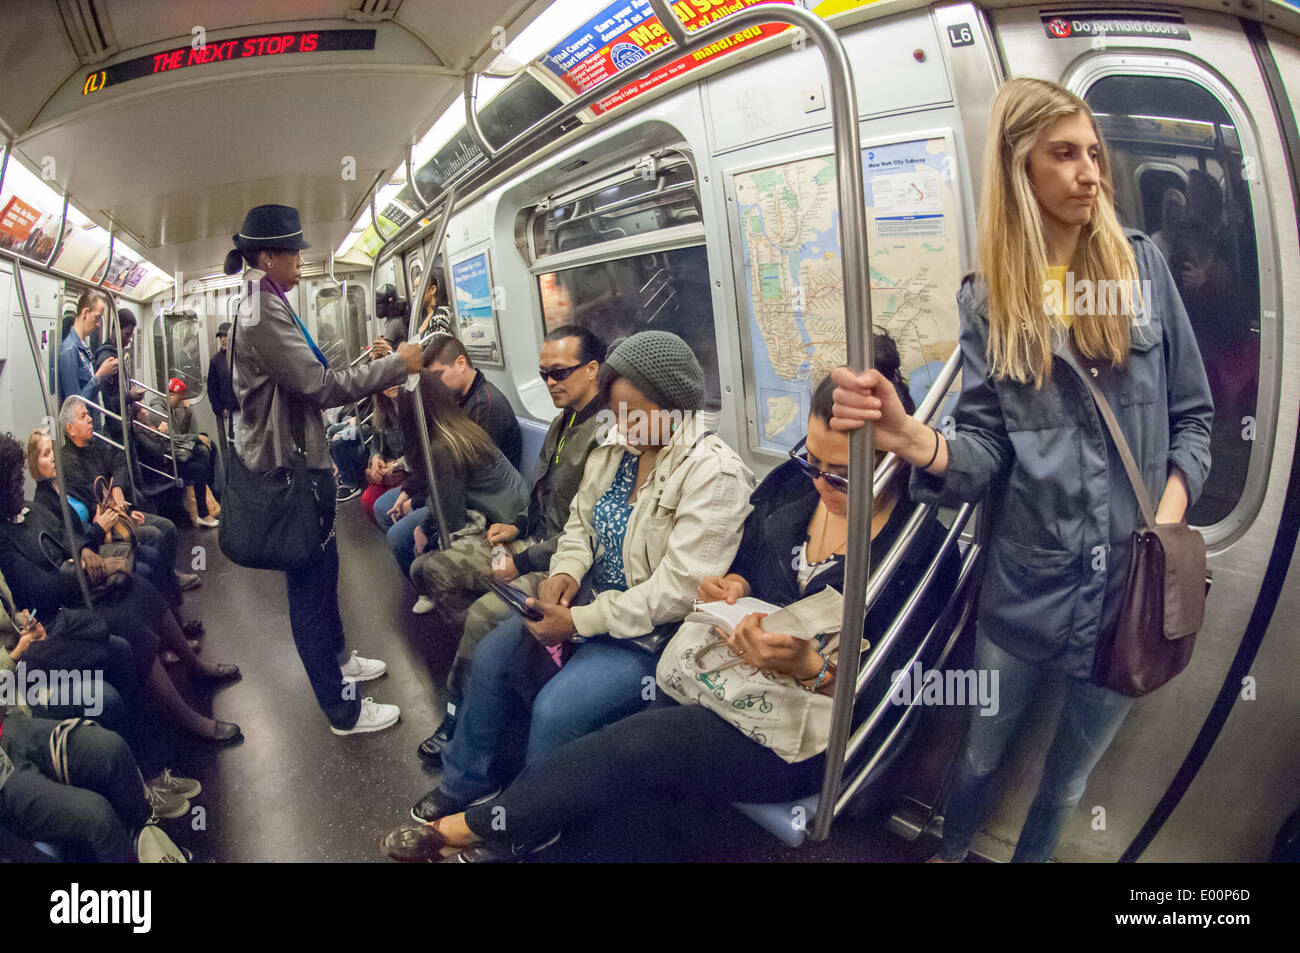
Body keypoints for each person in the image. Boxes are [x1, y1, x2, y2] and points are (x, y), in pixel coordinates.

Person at [826, 78, 1212, 863]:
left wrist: (1163, 524)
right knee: (978, 756)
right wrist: (910, 438)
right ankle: (951, 851)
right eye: (1064, 155)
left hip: (1128, 601)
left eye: (1093, 154)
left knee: (1067, 784)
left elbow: (1195, 421)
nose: (1089, 174)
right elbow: (983, 452)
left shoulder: (1142, 271)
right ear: (1018, 169)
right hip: (1026, 591)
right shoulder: (988, 303)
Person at [382, 362, 961, 862]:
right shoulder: (793, 493)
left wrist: (811, 666)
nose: (824, 484)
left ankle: (476, 829)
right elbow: (745, 573)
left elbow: (901, 694)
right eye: (813, 461)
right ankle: (530, 825)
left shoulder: (920, 555)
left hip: (802, 727)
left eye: (845, 473)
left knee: (632, 746)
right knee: (618, 779)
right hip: (726, 669)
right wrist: (733, 586)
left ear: (899, 460)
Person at [404, 330, 756, 827]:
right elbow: (579, 527)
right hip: (587, 604)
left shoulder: (712, 473)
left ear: (676, 406)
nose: (623, 425)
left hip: (650, 635)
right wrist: (566, 571)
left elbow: (675, 593)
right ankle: (466, 781)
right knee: (489, 659)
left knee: (556, 711)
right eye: (616, 412)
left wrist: (577, 621)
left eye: (636, 413)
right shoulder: (615, 450)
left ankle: (529, 821)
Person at [224, 203, 423, 736]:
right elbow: (320, 385)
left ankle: (338, 660)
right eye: (293, 252)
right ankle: (344, 710)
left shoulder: (267, 301)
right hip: (288, 469)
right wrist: (398, 364)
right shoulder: (261, 312)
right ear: (267, 257)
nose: (301, 262)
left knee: (325, 565)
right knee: (309, 588)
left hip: (300, 458)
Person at [416, 324, 606, 761]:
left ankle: (462, 706)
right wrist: (517, 528)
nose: (550, 383)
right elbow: (541, 496)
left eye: (560, 373)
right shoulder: (563, 423)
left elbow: (586, 529)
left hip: (561, 562)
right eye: (543, 375)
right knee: (435, 569)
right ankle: (484, 673)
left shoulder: (605, 435)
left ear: (592, 369)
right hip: (530, 540)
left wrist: (524, 559)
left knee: (484, 612)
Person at [0, 432, 240, 743]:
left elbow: (66, 535)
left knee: (141, 588)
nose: (20, 484)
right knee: (127, 623)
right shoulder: (4, 536)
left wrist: (85, 549)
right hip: (58, 612)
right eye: (12, 480)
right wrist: (86, 572)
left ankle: (192, 664)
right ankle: (187, 719)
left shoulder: (32, 510)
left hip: (78, 587)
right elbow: (37, 588)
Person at [373, 335, 522, 571]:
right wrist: (411, 496)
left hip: (498, 515)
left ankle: (435, 591)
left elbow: (452, 508)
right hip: (479, 498)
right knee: (385, 509)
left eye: (439, 375)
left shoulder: (485, 407)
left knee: (410, 552)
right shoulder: (453, 418)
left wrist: (423, 522)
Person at [402, 371, 529, 605]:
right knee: (414, 548)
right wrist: (425, 525)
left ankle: (464, 623)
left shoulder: (442, 447)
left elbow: (450, 520)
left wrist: (426, 532)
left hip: (506, 535)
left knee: (422, 568)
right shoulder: (459, 429)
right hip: (511, 518)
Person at [58, 396, 200, 594]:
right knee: (156, 534)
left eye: (89, 414)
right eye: (83, 416)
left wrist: (117, 486)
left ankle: (169, 578)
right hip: (103, 523)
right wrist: (123, 514)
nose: (90, 419)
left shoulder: (94, 445)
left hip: (117, 512)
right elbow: (92, 505)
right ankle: (168, 591)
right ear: (70, 429)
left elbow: (118, 459)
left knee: (167, 527)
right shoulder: (69, 463)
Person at [57, 288, 117, 413]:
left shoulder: (84, 346)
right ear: (85, 312)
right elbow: (74, 406)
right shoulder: (69, 350)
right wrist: (99, 376)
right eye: (97, 318)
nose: (98, 324)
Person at [92, 306, 142, 444]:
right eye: (127, 334)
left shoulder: (117, 354)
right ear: (116, 329)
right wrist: (129, 397)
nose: (129, 339)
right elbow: (106, 402)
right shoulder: (107, 359)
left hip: (123, 426)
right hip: (114, 430)